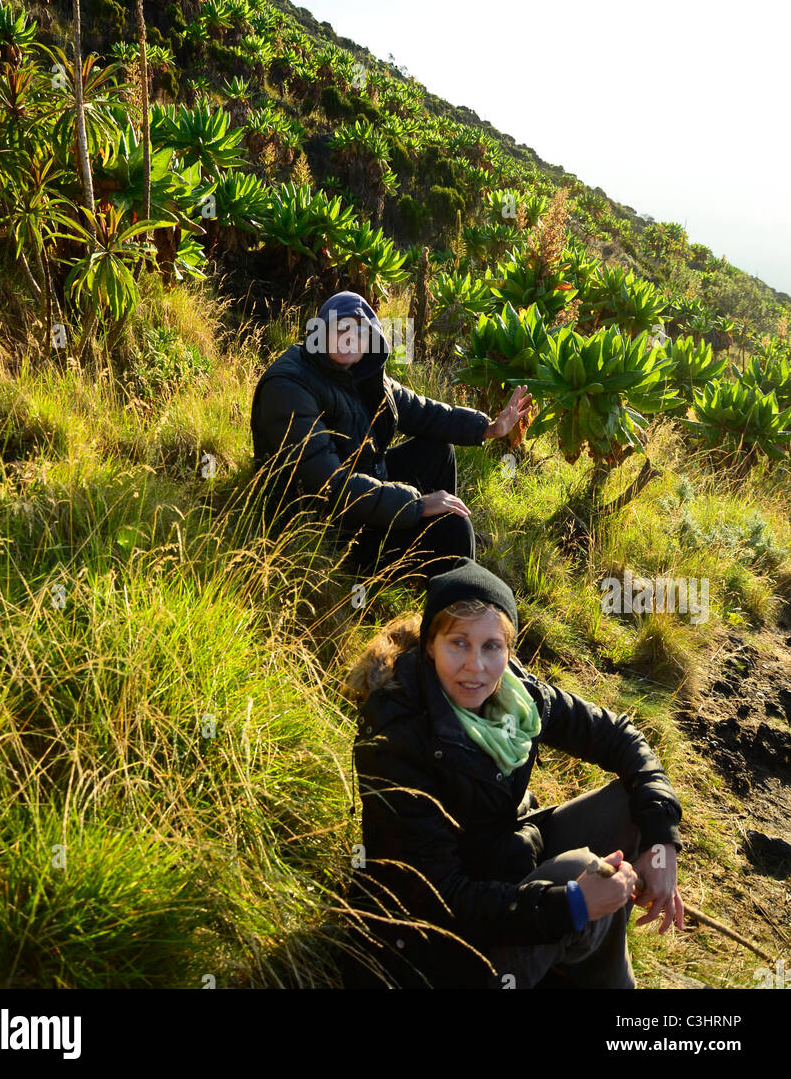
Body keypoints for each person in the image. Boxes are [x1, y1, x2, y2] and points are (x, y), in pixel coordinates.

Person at [342, 559, 684, 989]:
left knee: (629, 807)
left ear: (508, 649)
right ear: (431, 645)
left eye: (491, 646)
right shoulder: (396, 736)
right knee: (584, 871)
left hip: (508, 859)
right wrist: (571, 904)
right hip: (434, 942)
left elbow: (619, 736)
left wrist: (661, 843)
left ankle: (574, 953)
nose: (476, 666)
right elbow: (438, 899)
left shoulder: (515, 694)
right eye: (458, 643)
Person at [249, 291, 532, 581]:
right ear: (320, 332)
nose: (350, 339)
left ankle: (434, 555)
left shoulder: (361, 371)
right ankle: (452, 593)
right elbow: (328, 487)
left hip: (365, 485)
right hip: (325, 526)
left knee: (437, 452)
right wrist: (416, 504)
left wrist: (489, 428)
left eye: (360, 332)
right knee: (454, 528)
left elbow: (423, 412)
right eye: (340, 328)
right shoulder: (289, 386)